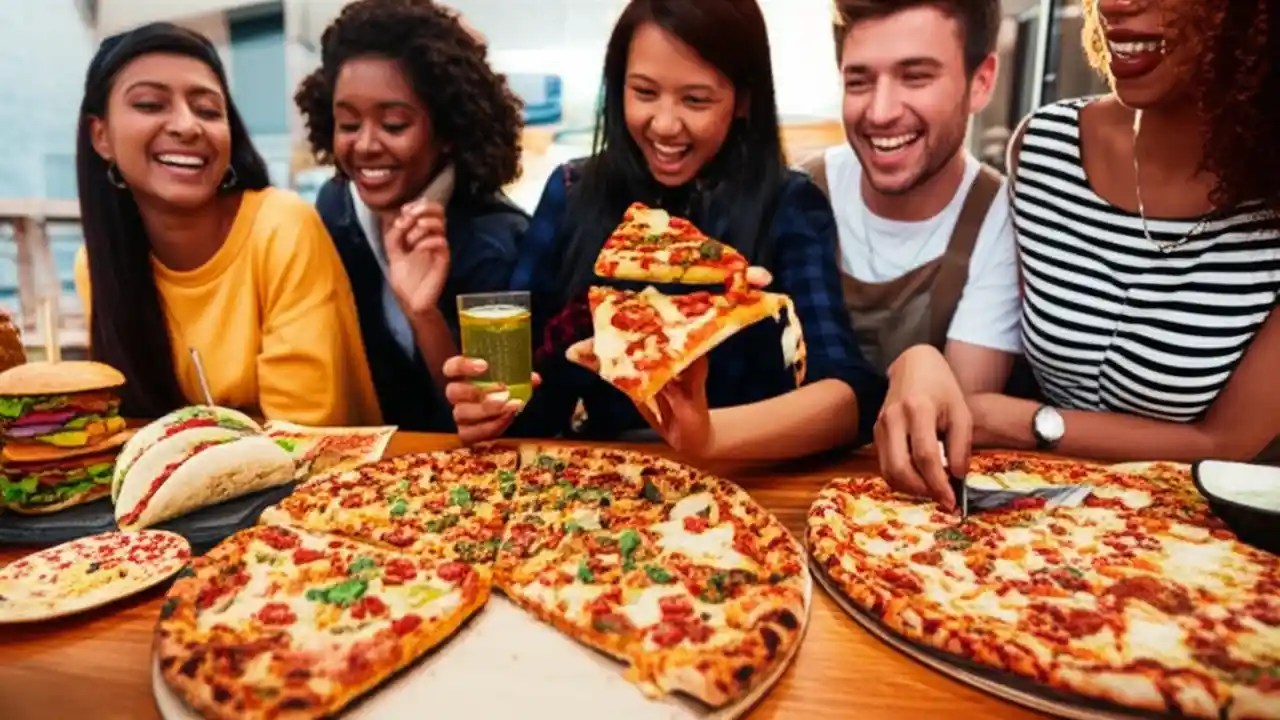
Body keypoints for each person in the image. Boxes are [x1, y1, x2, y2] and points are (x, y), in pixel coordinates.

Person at [875, 0, 1280, 507]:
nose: (1114, 3)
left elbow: (1228, 445)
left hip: (1204, 544)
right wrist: (921, 362)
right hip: (1030, 528)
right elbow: (969, 399)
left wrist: (1034, 423)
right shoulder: (1045, 148)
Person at [442, 0, 886, 460]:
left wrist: (706, 435)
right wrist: (490, 406)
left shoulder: (788, 204)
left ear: (744, 100)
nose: (665, 125)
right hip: (600, 490)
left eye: (696, 100)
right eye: (645, 92)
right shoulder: (573, 192)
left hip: (745, 482)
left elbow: (848, 397)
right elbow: (531, 388)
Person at [72, 22, 382, 426]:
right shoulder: (97, 264)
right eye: (150, 105)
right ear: (101, 137)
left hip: (328, 482)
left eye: (207, 110)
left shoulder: (280, 227)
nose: (187, 126)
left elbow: (302, 433)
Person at [294, 0, 528, 431]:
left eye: (394, 125)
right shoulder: (333, 207)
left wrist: (423, 314)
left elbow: (494, 422)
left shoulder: (498, 241)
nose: (365, 145)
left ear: (447, 133)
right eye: (348, 124)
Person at [799, 0, 1021, 392]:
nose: (881, 112)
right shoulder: (801, 192)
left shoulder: (1001, 221)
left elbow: (965, 416)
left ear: (981, 82)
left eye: (916, 77)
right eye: (859, 82)